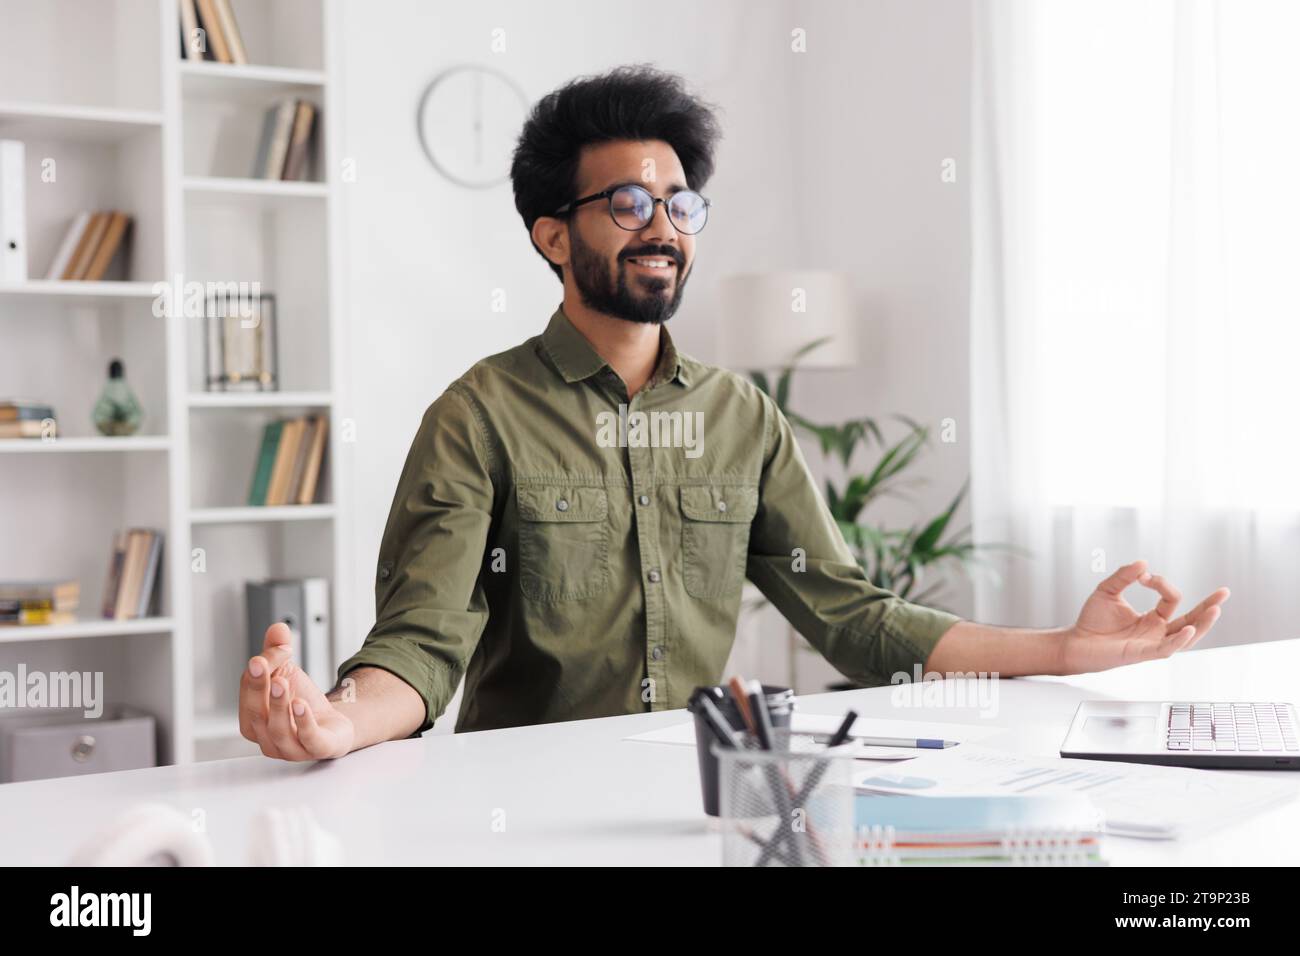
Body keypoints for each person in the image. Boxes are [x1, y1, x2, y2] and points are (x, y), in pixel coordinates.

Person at [239, 66, 1229, 761]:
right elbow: (422, 643)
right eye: (627, 202)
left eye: (680, 202)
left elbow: (853, 615)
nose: (662, 225)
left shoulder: (741, 416)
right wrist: (333, 718)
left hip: (702, 784)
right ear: (552, 234)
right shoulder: (478, 415)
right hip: (522, 797)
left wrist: (1062, 647)